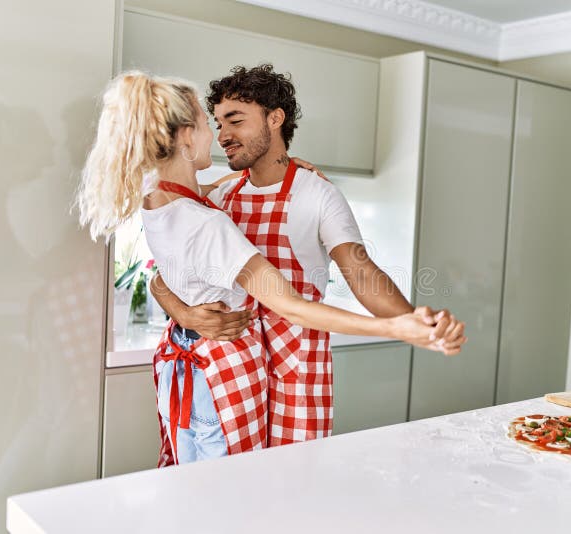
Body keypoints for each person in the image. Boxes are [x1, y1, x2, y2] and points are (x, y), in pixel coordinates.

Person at [76, 71, 453, 467]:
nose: (222, 135)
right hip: (233, 368)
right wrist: (186, 313)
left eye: (235, 121)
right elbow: (165, 272)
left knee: (289, 487)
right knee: (237, 491)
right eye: (216, 123)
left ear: (275, 119)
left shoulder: (316, 193)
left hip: (295, 372)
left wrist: (414, 323)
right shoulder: (219, 196)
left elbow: (360, 271)